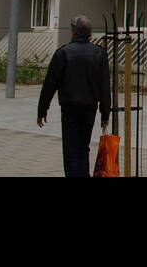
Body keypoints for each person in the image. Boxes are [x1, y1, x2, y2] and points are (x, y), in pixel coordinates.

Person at [37, 15, 112, 177]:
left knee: (71, 149)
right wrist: (105, 112)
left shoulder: (63, 53)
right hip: (90, 108)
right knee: (83, 147)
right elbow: (105, 86)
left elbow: (50, 84)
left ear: (72, 33)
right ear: (89, 33)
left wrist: (42, 110)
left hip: (70, 108)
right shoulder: (99, 54)